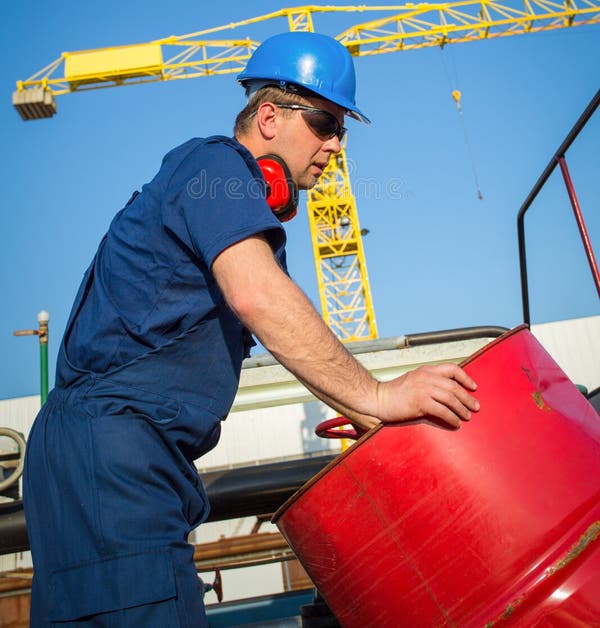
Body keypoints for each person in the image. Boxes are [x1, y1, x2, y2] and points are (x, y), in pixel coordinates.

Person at [23, 31, 479, 627]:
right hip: (116, 454)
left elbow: (279, 323)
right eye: (325, 123)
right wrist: (376, 395)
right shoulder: (215, 166)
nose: (336, 144)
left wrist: (370, 417)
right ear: (268, 116)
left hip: (103, 459)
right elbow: (259, 297)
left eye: (342, 129)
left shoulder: (229, 214)